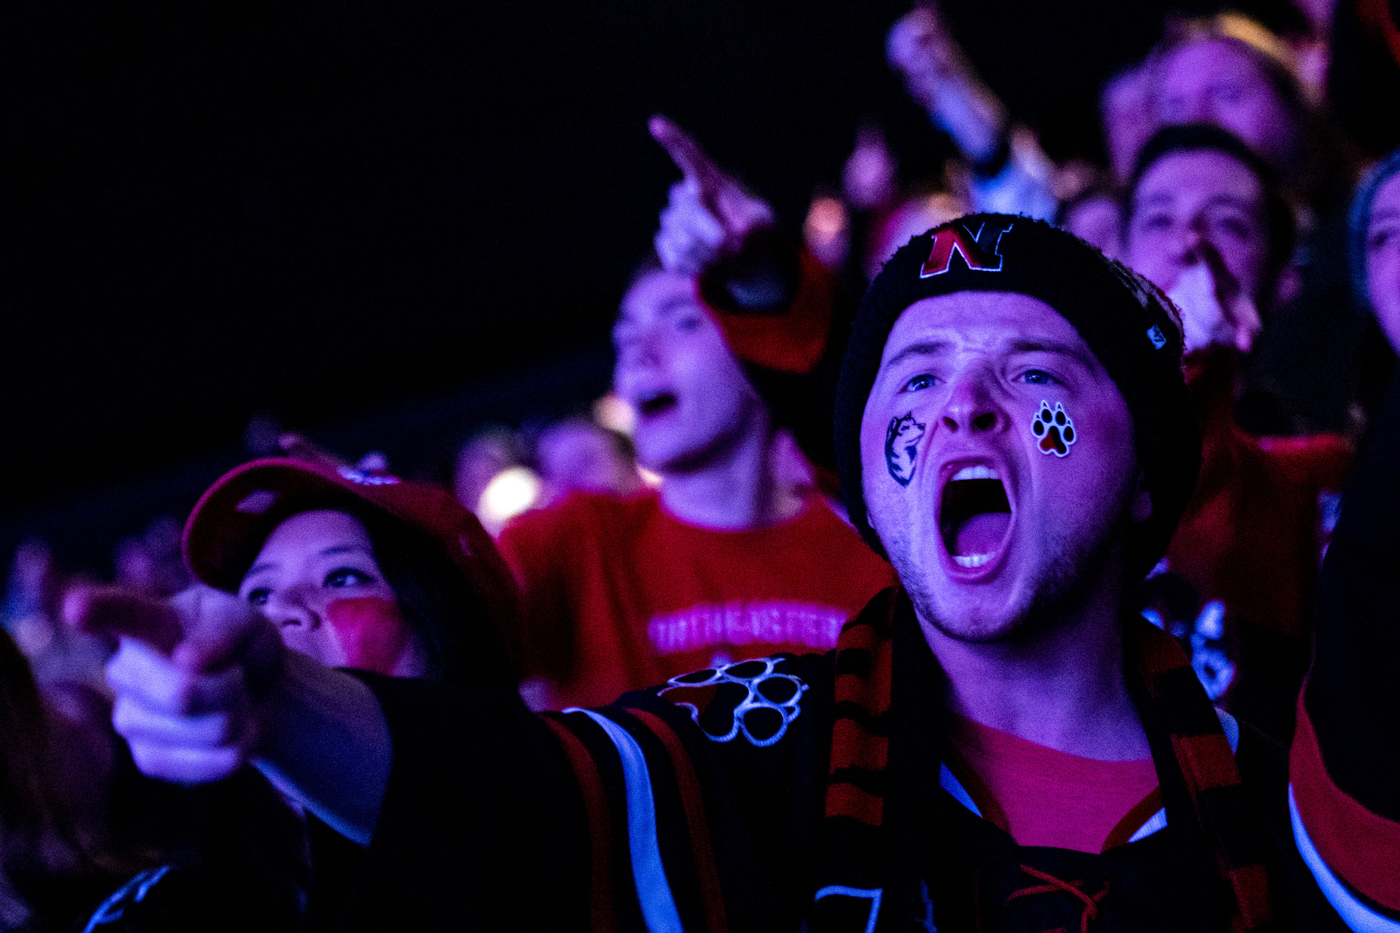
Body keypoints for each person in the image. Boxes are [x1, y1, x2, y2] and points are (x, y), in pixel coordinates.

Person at [79, 214, 1375, 931]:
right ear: (873, 483)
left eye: (1036, 375)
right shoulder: (762, 739)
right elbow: (527, 802)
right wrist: (278, 698)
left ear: (1149, 472)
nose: (965, 412)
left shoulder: (1288, 754)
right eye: (914, 384)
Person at [497, 119, 895, 709]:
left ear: (754, 347)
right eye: (626, 334)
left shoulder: (871, 553)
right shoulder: (577, 543)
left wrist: (760, 278)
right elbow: (436, 618)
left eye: (682, 322)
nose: (637, 350)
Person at [1122, 124, 1352, 739]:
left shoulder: (1318, 472)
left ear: (1282, 279)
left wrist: (1198, 363)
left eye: (1227, 224)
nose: (1190, 242)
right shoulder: (1051, 445)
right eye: (1158, 220)